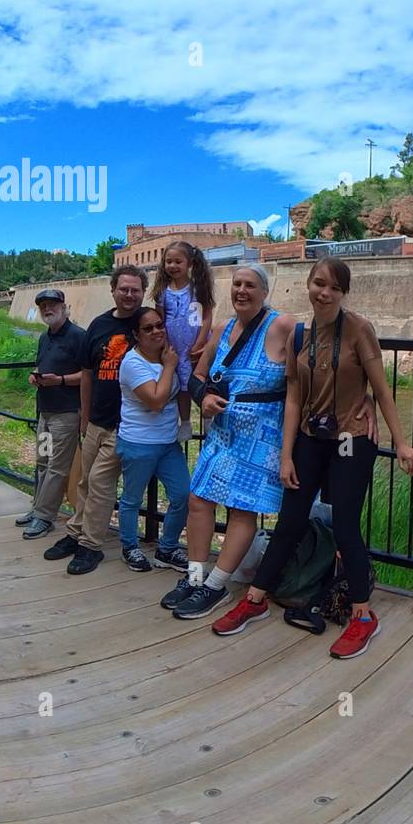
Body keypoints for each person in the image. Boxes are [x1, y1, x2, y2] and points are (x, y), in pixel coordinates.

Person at [211, 258, 413, 657]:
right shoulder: (298, 336)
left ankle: (362, 616)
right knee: (289, 520)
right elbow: (294, 396)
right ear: (307, 285)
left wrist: (402, 444)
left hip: (350, 440)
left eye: (334, 288)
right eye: (319, 284)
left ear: (343, 294)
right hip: (310, 437)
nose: (325, 293)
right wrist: (286, 454)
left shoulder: (359, 329)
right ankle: (255, 599)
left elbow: (381, 388)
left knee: (345, 526)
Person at [163, 261, 295, 619]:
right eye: (237, 284)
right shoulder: (222, 329)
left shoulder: (282, 326)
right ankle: (194, 577)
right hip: (222, 433)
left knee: (241, 510)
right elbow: (197, 376)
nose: (242, 291)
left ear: (264, 292)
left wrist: (360, 398)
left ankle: (216, 585)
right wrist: (203, 397)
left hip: (262, 437)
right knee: (198, 501)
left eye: (250, 285)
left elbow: (316, 365)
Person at [44, 265, 143, 575]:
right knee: (86, 482)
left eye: (135, 290)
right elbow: (88, 375)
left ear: (142, 293)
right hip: (97, 419)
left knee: (101, 484)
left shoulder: (148, 323)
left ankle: (91, 545)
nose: (129, 294)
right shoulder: (99, 326)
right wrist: (85, 417)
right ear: (113, 290)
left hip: (126, 422)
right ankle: (76, 533)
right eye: (123, 289)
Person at [112, 305, 191, 570]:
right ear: (136, 334)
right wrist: (169, 366)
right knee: (133, 499)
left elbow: (183, 390)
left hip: (168, 443)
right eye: (148, 328)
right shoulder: (132, 363)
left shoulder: (166, 355)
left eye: (159, 325)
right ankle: (130, 547)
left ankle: (167, 548)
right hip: (138, 442)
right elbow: (156, 400)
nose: (156, 331)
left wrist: (186, 421)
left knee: (182, 494)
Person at [18, 289, 95, 540]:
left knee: (57, 467)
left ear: (65, 307)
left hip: (66, 413)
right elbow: (44, 365)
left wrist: (60, 380)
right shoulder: (44, 337)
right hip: (46, 412)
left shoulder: (78, 337)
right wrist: (36, 375)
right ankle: (37, 508)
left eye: (53, 305)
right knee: (41, 462)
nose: (47, 309)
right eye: (43, 306)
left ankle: (44, 517)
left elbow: (87, 376)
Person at [152, 239, 216, 447]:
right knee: (182, 386)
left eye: (178, 261)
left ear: (189, 263)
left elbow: (206, 317)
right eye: (168, 261)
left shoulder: (197, 288)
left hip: (195, 342)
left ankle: (207, 420)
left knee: (200, 380)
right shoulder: (163, 291)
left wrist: (199, 342)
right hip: (175, 345)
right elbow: (160, 319)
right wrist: (167, 345)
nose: (172, 266)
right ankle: (185, 422)